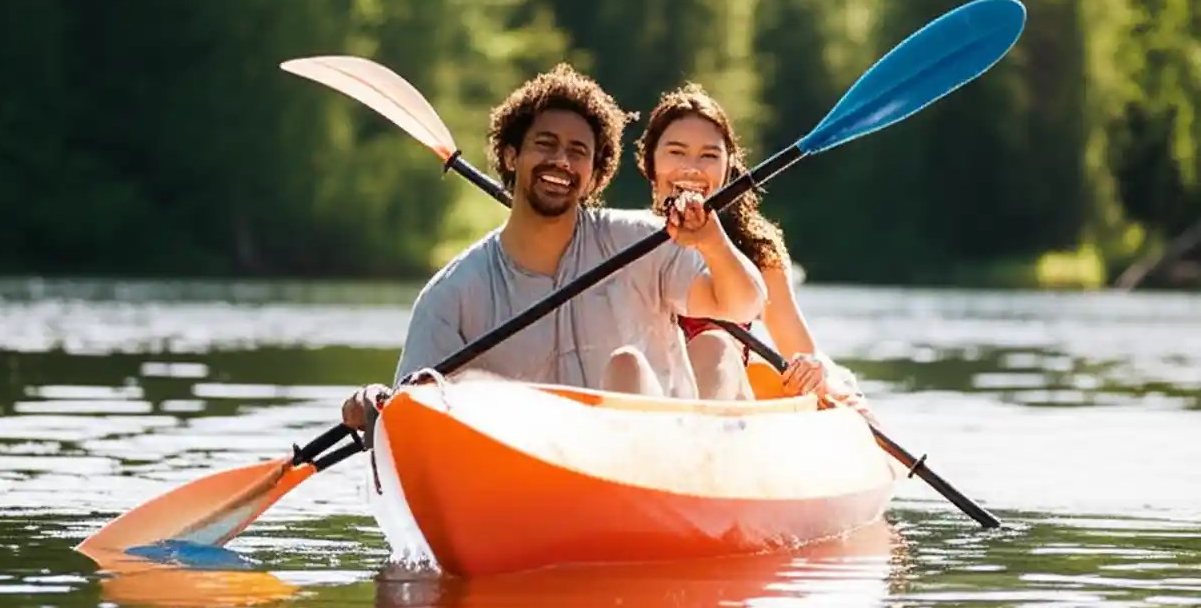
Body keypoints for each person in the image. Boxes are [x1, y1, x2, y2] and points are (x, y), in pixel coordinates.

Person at [341, 64, 767, 429]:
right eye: (546, 144)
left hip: (667, 462)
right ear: (510, 157)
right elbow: (412, 404)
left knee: (627, 368)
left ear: (595, 174)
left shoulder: (642, 242)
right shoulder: (450, 295)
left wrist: (712, 243)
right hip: (535, 475)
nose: (562, 161)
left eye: (577, 151)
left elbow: (743, 304)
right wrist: (380, 402)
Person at [635, 82, 865, 405]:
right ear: (650, 163)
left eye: (709, 155)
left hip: (726, 403)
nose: (692, 167)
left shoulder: (756, 248)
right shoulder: (621, 237)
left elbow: (800, 349)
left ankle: (695, 439)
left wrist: (812, 369)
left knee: (713, 345)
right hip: (642, 396)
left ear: (728, 168)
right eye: (676, 152)